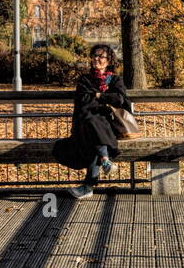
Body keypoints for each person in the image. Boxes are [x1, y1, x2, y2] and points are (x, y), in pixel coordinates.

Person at [52, 44, 132, 199]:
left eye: (101, 56)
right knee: (92, 124)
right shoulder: (85, 79)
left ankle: (88, 186)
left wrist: (98, 96)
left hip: (109, 126)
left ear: (109, 60)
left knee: (94, 126)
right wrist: (104, 100)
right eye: (94, 55)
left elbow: (120, 99)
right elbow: (83, 102)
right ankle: (104, 161)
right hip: (85, 125)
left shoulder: (115, 79)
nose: (96, 59)